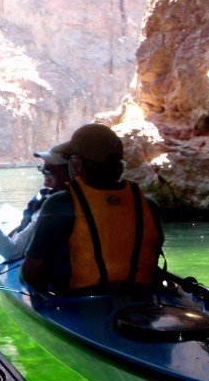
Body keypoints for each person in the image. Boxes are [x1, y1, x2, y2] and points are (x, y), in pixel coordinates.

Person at [22, 123, 164, 294]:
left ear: (78, 164)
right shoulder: (149, 205)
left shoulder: (60, 203)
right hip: (141, 301)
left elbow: (32, 274)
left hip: (79, 305)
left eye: (68, 158)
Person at [0, 146, 73, 261]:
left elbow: (11, 252)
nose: (43, 172)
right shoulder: (54, 196)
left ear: (70, 171)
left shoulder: (55, 207)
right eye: (42, 168)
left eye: (49, 169)